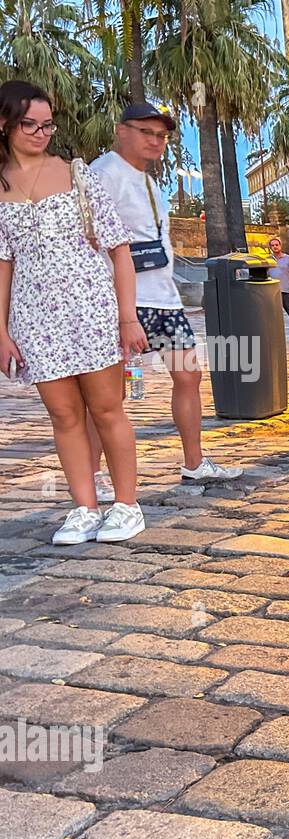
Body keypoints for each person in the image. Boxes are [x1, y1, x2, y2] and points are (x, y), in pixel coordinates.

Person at [0, 80, 148, 544]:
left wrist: (128, 317)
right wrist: (1, 331)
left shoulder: (78, 175)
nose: (42, 133)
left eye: (48, 125)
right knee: (63, 417)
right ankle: (84, 506)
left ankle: (127, 504)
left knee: (107, 410)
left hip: (91, 310)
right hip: (35, 319)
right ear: (4, 124)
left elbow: (120, 249)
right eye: (31, 124)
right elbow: (2, 266)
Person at [89, 102, 242, 498]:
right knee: (108, 394)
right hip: (124, 301)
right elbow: (89, 238)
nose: (155, 141)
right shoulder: (102, 174)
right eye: (146, 132)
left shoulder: (150, 182)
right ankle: (91, 476)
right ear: (122, 131)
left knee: (189, 375)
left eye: (161, 135)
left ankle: (193, 464)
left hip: (166, 300)